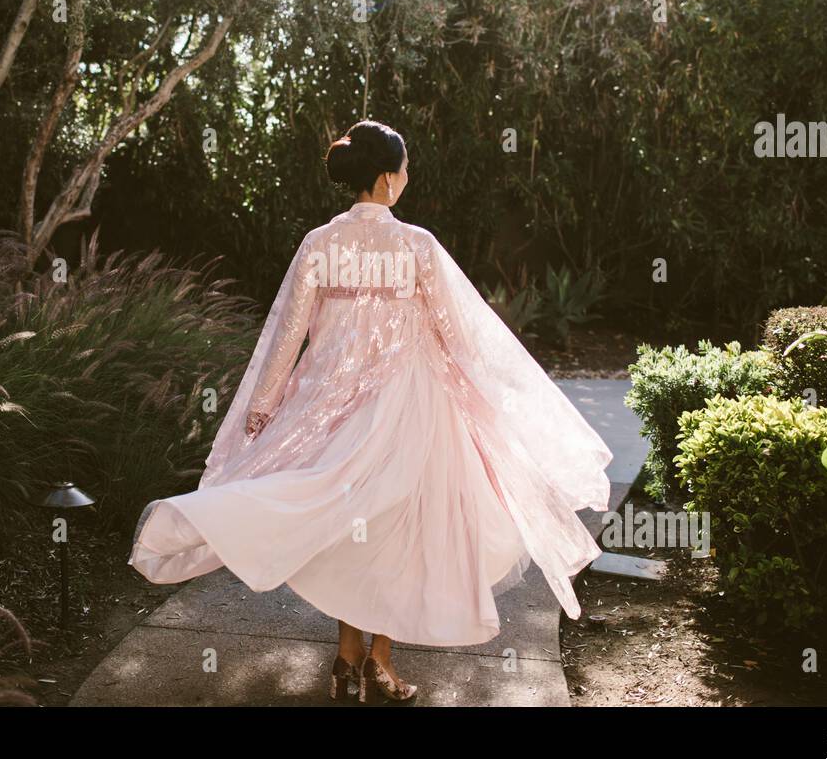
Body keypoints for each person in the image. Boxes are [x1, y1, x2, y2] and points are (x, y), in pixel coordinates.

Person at [129, 119, 612, 704]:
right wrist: (487, 398)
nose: (406, 179)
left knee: (343, 520)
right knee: (399, 530)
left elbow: (287, 336)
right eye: (403, 170)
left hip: (331, 403)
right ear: (386, 179)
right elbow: (458, 335)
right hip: (413, 406)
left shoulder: (319, 244)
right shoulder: (417, 246)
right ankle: (377, 663)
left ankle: (347, 658)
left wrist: (263, 408)